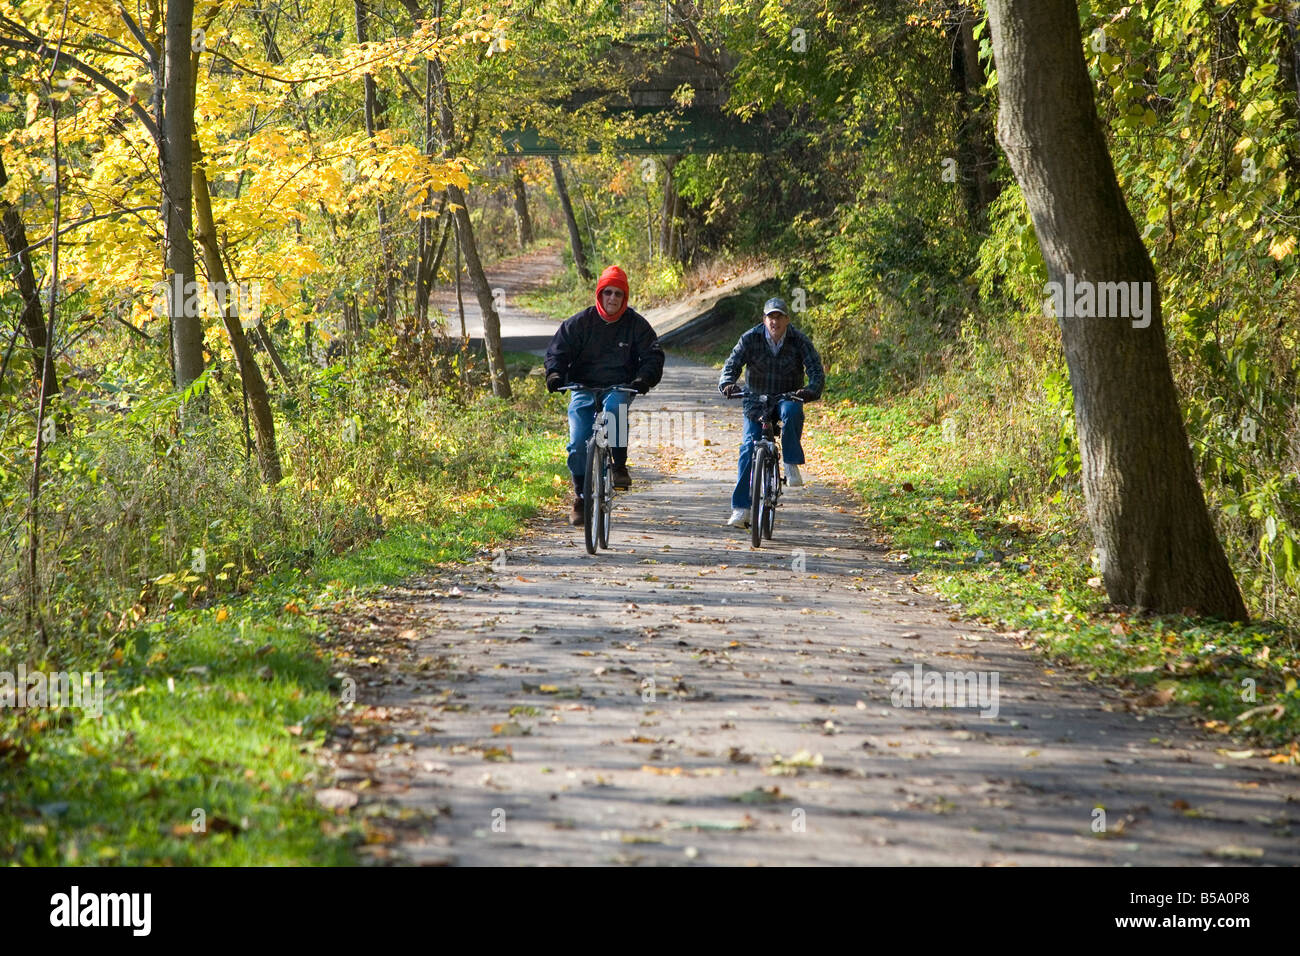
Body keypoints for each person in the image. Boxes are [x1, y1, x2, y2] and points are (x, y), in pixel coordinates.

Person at [545, 265, 665, 526]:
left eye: (618, 294)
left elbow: (653, 356)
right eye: (607, 292)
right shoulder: (579, 323)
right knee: (577, 442)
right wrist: (554, 374)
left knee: (615, 411)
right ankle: (580, 497)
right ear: (599, 294)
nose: (612, 298)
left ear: (625, 297)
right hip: (582, 387)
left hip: (619, 385)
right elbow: (557, 351)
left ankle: (619, 465)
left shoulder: (636, 325)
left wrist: (644, 378)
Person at [718, 296, 824, 527]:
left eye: (779, 317)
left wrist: (810, 390)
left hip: (787, 396)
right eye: (770, 317)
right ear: (764, 320)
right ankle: (741, 509)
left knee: (792, 410)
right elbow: (731, 365)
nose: (774, 321)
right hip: (756, 401)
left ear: (787, 319)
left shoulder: (798, 340)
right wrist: (727, 383)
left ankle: (791, 463)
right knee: (747, 449)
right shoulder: (750, 338)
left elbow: (815, 369)